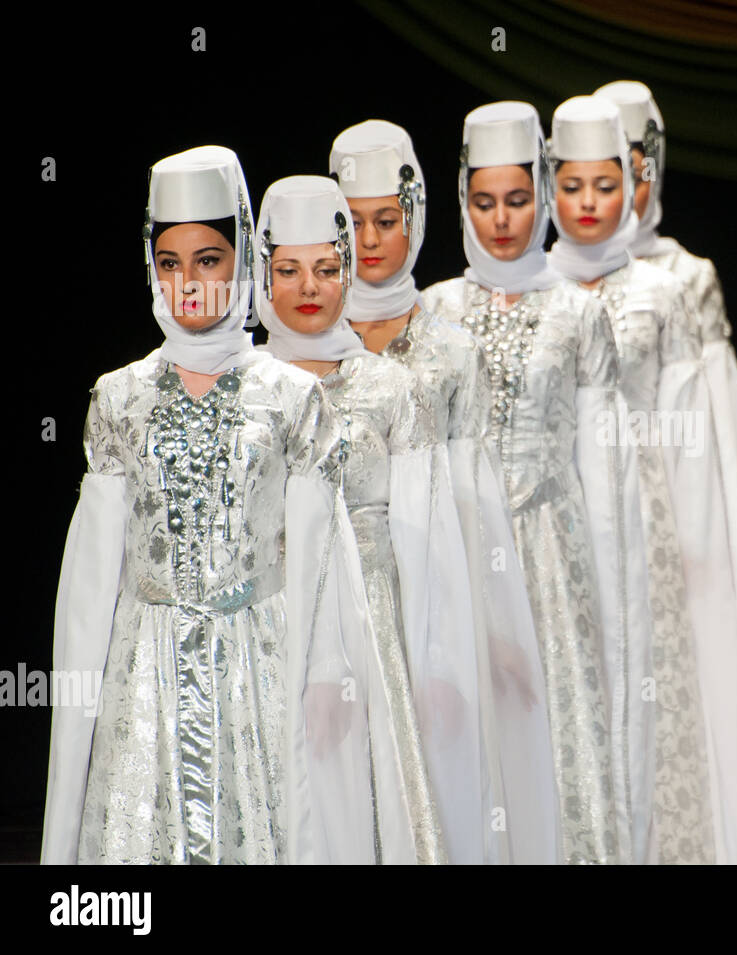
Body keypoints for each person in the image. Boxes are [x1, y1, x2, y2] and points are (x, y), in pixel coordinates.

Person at [43, 147, 400, 864]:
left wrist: (330, 685)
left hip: (259, 676)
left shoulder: (292, 397)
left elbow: (324, 573)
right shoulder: (119, 396)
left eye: (209, 259)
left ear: (241, 256)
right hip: (144, 682)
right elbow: (88, 590)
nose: (190, 284)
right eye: (170, 262)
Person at [422, 100, 648, 863]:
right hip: (459, 551)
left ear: (543, 195)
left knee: (553, 724)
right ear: (461, 201)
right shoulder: (435, 311)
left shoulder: (577, 313)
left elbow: (603, 470)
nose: (501, 220)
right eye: (484, 202)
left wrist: (610, 593)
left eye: (518, 200)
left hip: (552, 550)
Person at [593, 80, 737, 854]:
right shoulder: (549, 281)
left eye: (634, 168)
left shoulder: (684, 278)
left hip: (671, 519)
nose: (623, 189)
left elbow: (716, 437)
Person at [254, 173, 464, 864]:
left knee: (374, 802)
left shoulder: (391, 389)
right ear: (261, 272)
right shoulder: (245, 390)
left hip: (374, 629)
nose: (309, 286)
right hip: (270, 626)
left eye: (325, 267)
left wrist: (437, 663)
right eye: (288, 269)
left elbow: (427, 545)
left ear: (348, 271)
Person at [328, 119, 518, 864]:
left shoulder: (450, 352)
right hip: (334, 602)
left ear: (417, 213)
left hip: (431, 606)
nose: (371, 239)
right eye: (353, 222)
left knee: (434, 776)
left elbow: (478, 514)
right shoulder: (301, 352)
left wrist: (487, 631)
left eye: (387, 219)